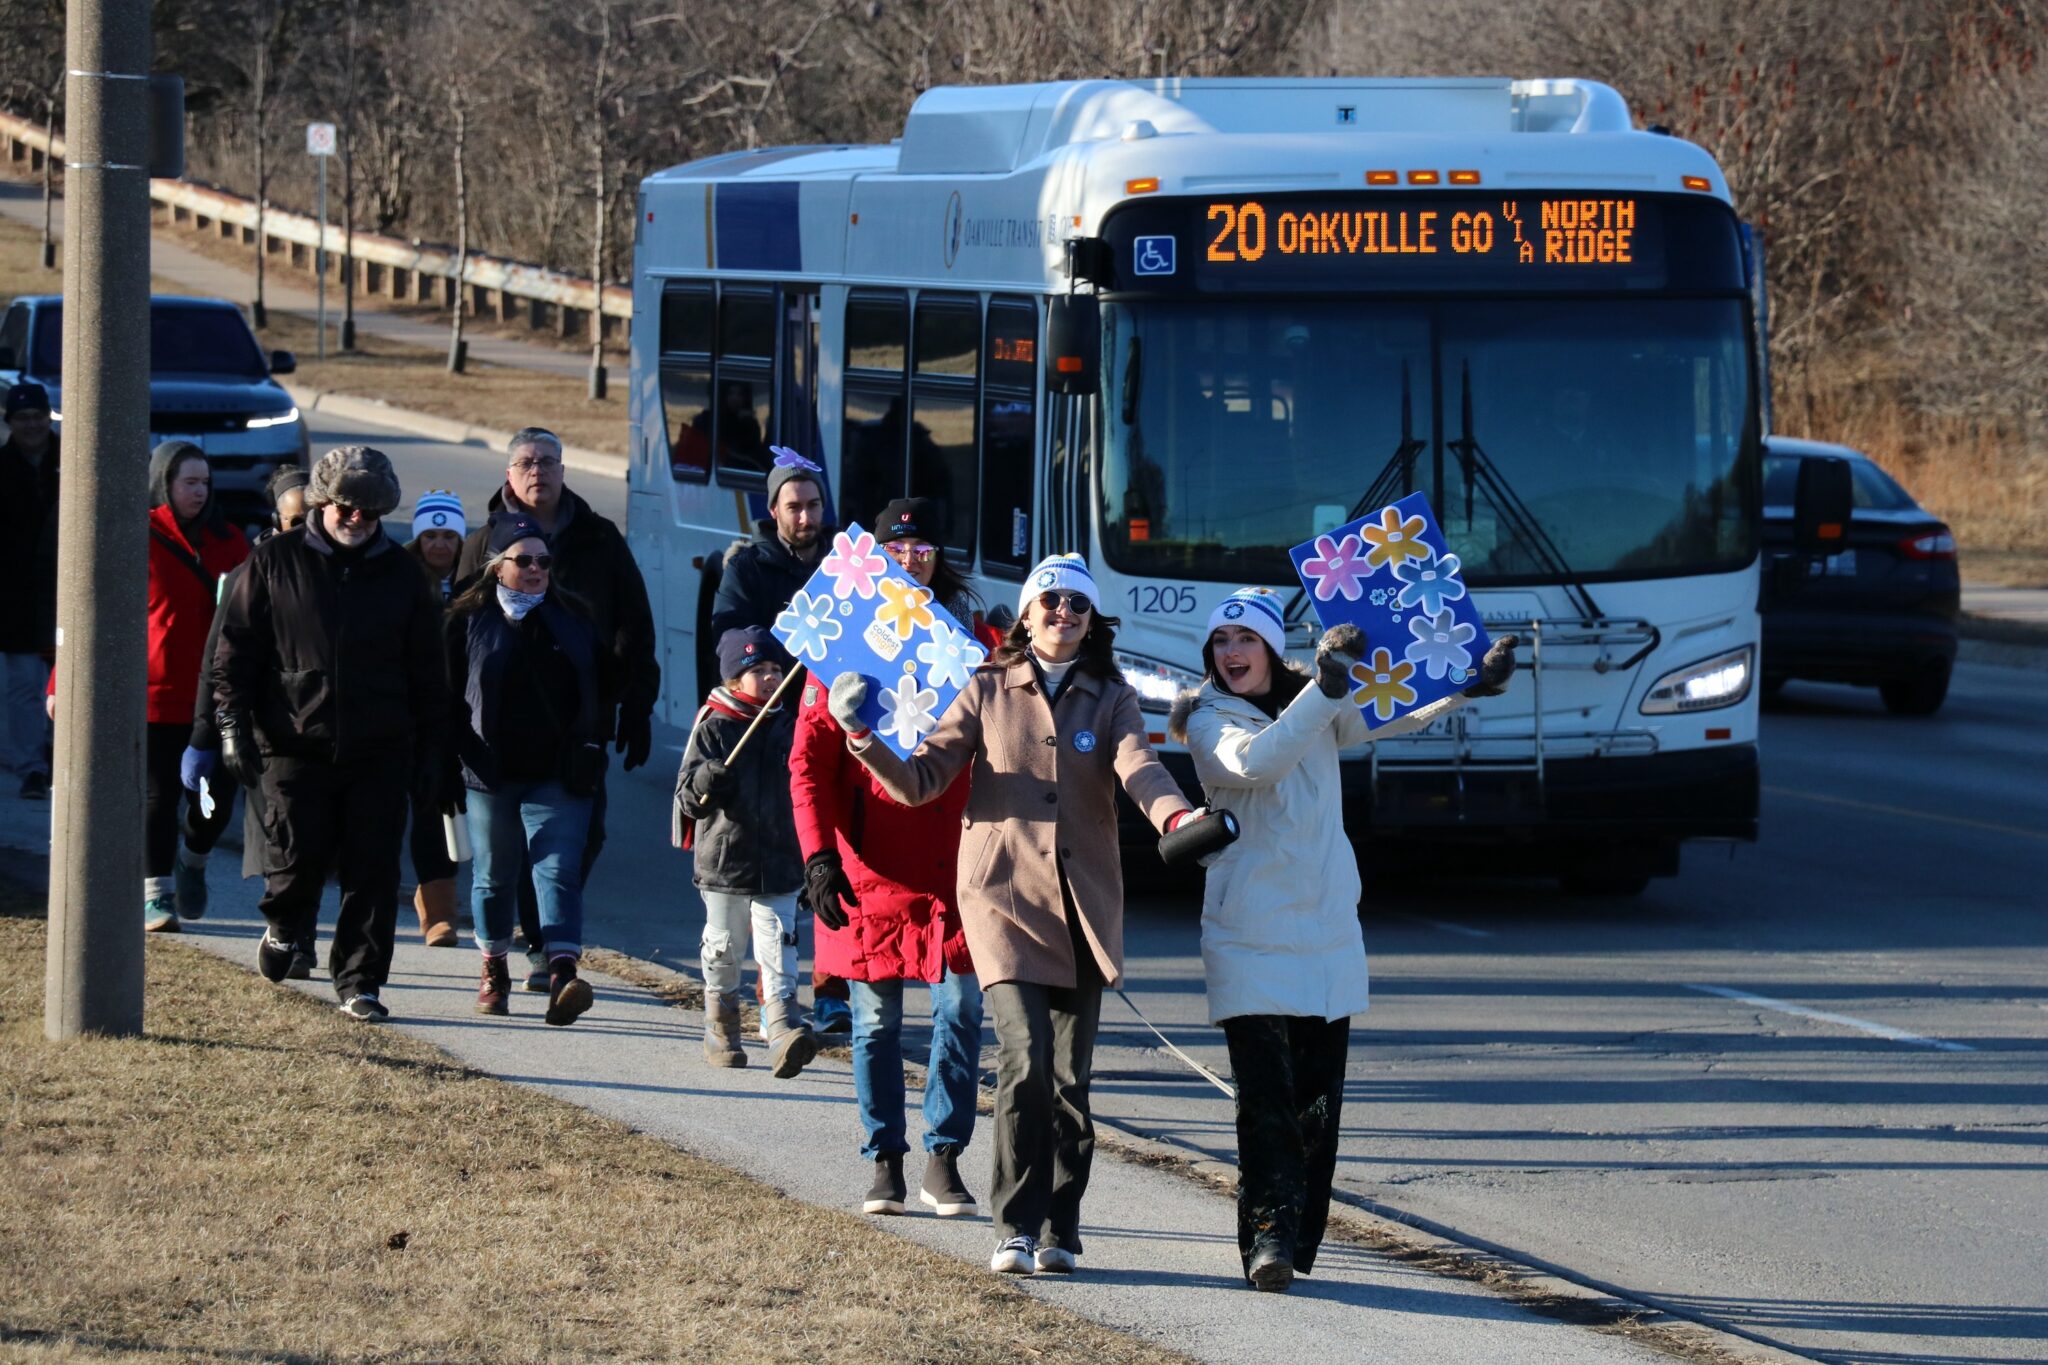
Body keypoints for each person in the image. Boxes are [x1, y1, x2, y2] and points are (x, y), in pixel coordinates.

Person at [826, 553, 1208, 1277]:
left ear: (1093, 622)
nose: (1064, 613)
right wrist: (863, 736)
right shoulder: (985, 684)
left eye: (1078, 605)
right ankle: (1013, 1226)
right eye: (1051, 600)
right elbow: (921, 778)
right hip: (1002, 901)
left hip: (1083, 905)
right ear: (1026, 613)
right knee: (1025, 1059)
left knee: (1069, 1079)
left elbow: (1140, 767)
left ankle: (1061, 1224)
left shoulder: (1112, 694)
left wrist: (1177, 815)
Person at [1169, 587, 1518, 1292]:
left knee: (1318, 1107)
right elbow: (1258, 762)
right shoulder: (1207, 720)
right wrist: (1327, 688)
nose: (1232, 651)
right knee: (1264, 1099)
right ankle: (1267, 1239)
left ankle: (1296, 1240)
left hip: (1325, 930)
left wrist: (1468, 685)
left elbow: (1390, 715)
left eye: (1246, 638)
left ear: (1270, 647)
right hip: (1248, 933)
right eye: (1222, 640)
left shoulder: (1321, 704)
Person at [791, 496, 985, 1220]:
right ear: (875, 560)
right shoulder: (838, 654)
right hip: (865, 871)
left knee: (961, 1008)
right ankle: (885, 1159)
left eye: (923, 547)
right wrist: (818, 858)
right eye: (896, 549)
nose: (911, 558)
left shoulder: (968, 644)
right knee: (875, 1024)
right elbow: (807, 766)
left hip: (954, 871)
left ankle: (944, 1155)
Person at [211, 445, 449, 1022]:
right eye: (345, 506)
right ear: (323, 502)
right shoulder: (273, 563)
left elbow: (427, 673)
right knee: (296, 858)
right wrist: (229, 727)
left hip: (380, 745)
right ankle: (285, 927)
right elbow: (233, 652)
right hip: (293, 740)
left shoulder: (403, 575)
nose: (355, 520)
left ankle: (360, 982)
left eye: (368, 513)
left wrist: (432, 753)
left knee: (373, 868)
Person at [457, 429, 657, 992]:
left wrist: (636, 704)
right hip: (492, 752)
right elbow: (456, 650)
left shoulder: (598, 539)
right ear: (508, 472)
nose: (537, 470)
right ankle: (508, 952)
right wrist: (446, 742)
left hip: (573, 738)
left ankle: (552, 955)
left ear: (564, 470)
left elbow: (632, 627)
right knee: (498, 869)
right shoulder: (482, 543)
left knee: (570, 852)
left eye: (548, 461)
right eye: (525, 461)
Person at [710, 447, 854, 1033]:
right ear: (773, 511)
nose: (805, 516)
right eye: (793, 506)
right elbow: (726, 637)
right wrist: (775, 641)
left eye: (814, 504)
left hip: (838, 724)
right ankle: (766, 997)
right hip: (772, 729)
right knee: (786, 869)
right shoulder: (749, 567)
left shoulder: (849, 564)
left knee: (834, 857)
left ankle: (833, 989)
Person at [448, 511, 603, 1025]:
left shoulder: (574, 617)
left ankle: (562, 972)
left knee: (557, 870)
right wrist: (445, 756)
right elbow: (444, 697)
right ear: (497, 567)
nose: (537, 569)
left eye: (544, 560)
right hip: (488, 772)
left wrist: (596, 741)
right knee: (494, 876)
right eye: (524, 560)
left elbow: (602, 687)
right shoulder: (466, 621)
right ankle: (494, 966)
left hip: (559, 773)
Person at [675, 626, 818, 1078]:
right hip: (725, 864)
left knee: (780, 943)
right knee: (724, 948)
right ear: (735, 680)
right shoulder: (714, 726)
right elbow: (686, 796)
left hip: (778, 859)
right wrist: (705, 784)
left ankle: (781, 1028)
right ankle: (721, 1025)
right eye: (759, 670)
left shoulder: (787, 727)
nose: (773, 678)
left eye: (776, 669)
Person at [142, 441, 250, 932]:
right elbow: (96, 613)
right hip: (157, 693)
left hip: (219, 697)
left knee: (211, 803)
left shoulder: (231, 542)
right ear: (165, 483)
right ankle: (156, 893)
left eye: (205, 482)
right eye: (189, 482)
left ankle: (195, 857)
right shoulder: (139, 536)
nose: (199, 492)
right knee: (158, 797)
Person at [405, 489, 467, 947]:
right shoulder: (399, 579)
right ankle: (433, 910)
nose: (440, 545)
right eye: (431, 535)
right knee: (415, 810)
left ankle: (452, 909)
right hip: (407, 718)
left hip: (463, 719)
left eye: (449, 535)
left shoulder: (477, 584)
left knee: (453, 811)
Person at [0, 381, 59, 800]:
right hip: (16, 599)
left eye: (38, 415)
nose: (32, 425)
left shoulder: (72, 459)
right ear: (9, 423)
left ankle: (63, 756)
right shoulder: (2, 469)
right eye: (23, 418)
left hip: (64, 594)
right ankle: (32, 768)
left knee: (66, 684)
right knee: (24, 688)